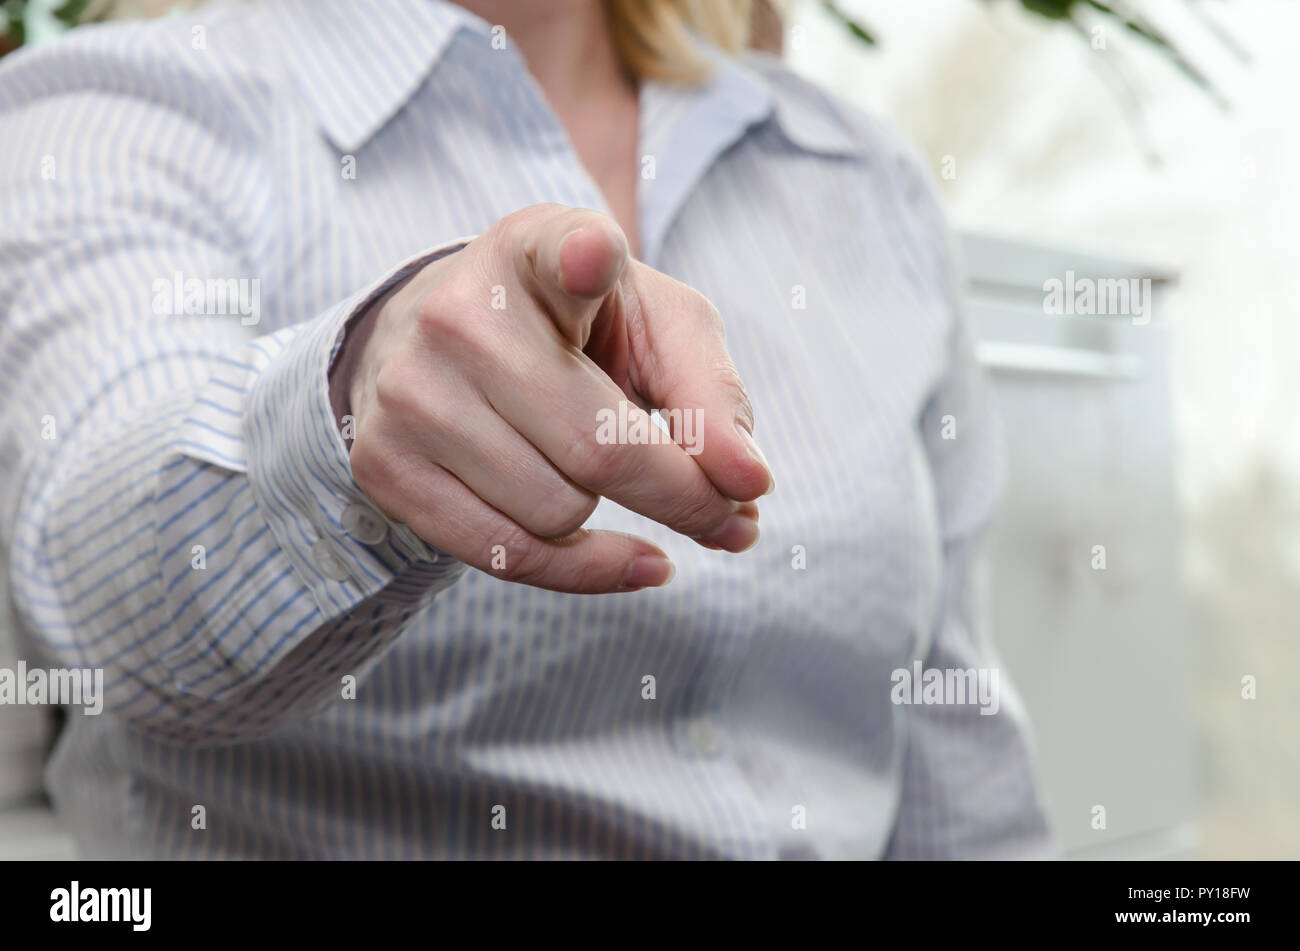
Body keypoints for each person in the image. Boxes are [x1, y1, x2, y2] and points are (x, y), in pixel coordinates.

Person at [0, 0, 1054, 858]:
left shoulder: (859, 176)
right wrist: (353, 400)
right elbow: (106, 571)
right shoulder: (113, 110)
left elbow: (950, 760)